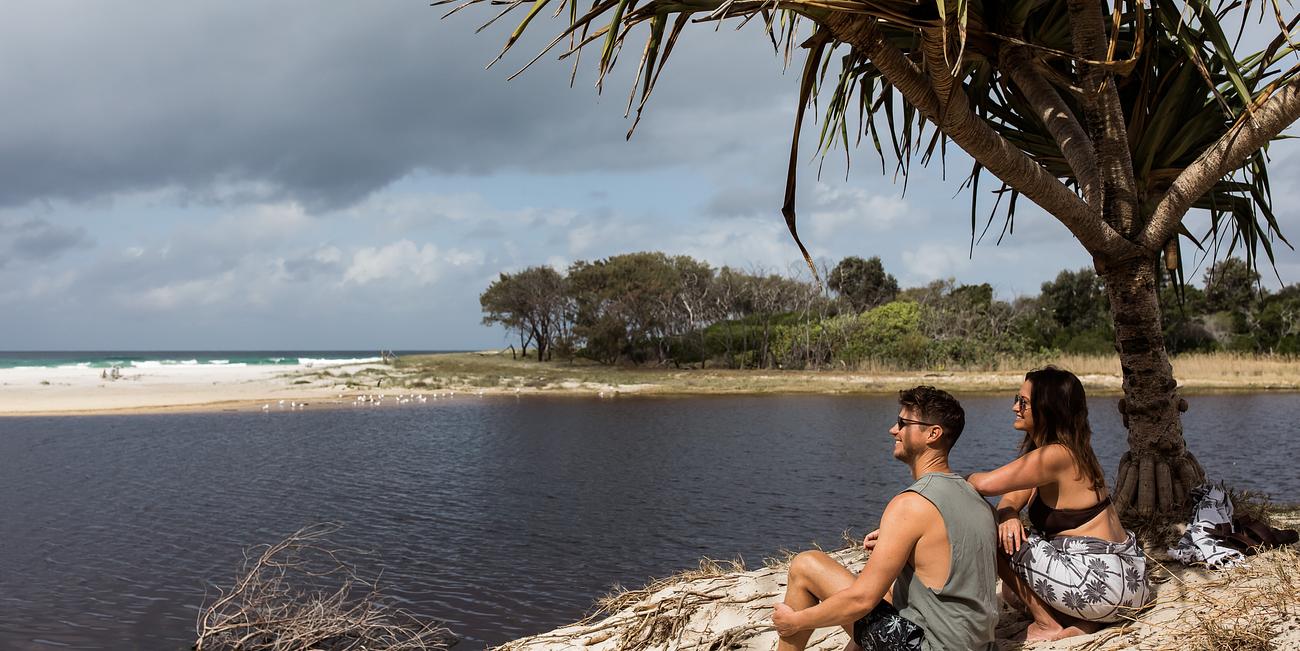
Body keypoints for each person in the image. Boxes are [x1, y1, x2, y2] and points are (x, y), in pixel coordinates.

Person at [772, 386, 998, 651]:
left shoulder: (911, 504)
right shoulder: (973, 496)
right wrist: (900, 543)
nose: (894, 430)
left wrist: (796, 621)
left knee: (806, 565)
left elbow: (861, 601)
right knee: (889, 594)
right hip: (978, 645)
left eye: (903, 423)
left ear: (933, 434)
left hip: (931, 646)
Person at [966, 367, 1152, 642]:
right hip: (1130, 586)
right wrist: (1008, 513)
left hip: (1101, 586)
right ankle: (1085, 621)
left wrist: (955, 478)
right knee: (1009, 592)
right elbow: (1015, 493)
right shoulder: (1072, 449)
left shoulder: (1055, 455)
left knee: (979, 519)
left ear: (1046, 408)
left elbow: (982, 484)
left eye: (1023, 402)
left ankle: (1047, 624)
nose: (1014, 407)